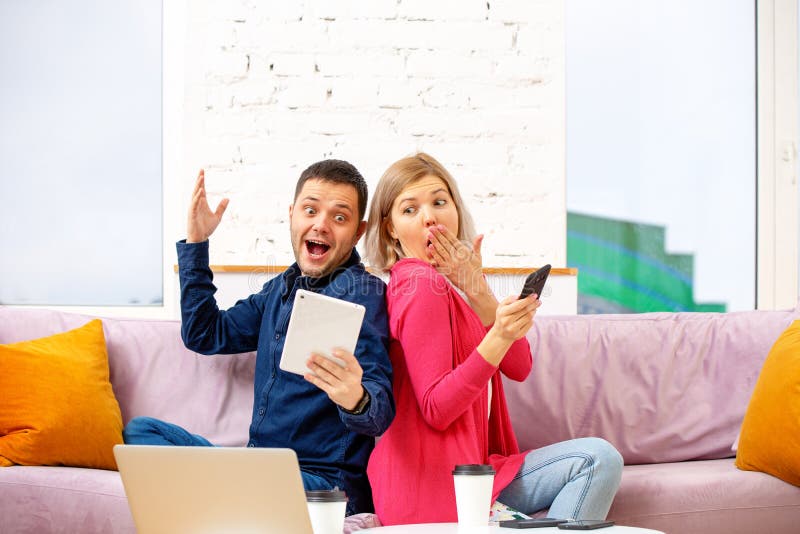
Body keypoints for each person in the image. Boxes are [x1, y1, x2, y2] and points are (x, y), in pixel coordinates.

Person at [123, 160, 395, 515]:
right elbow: (205, 334)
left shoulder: (363, 295)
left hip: (323, 483)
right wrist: (197, 242)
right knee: (141, 432)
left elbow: (378, 413)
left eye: (339, 218)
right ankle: (235, 488)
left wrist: (355, 398)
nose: (321, 225)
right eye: (310, 210)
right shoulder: (280, 289)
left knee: (229, 485)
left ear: (358, 232)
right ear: (292, 215)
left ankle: (228, 491)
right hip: (259, 470)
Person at [364, 153, 622, 525]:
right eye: (410, 209)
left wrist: (476, 287)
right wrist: (499, 334)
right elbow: (437, 407)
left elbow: (519, 367)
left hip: (477, 472)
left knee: (598, 460)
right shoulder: (420, 284)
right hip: (438, 488)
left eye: (439, 202)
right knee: (597, 459)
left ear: (455, 209)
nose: (430, 217)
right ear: (390, 229)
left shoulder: (450, 289)